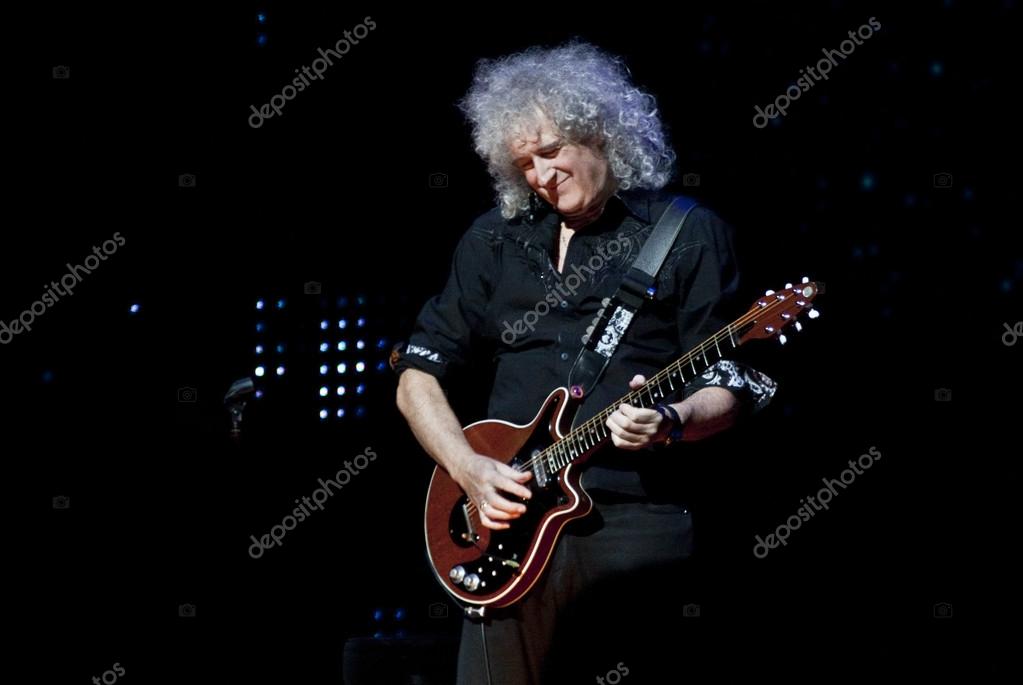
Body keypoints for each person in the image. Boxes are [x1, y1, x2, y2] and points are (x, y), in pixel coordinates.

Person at [393, 41, 776, 685]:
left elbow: (735, 382)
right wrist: (468, 468)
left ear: (599, 132)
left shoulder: (685, 233)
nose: (540, 177)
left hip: (633, 529)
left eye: (550, 153)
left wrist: (673, 418)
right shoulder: (494, 237)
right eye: (524, 165)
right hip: (505, 531)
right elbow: (416, 376)